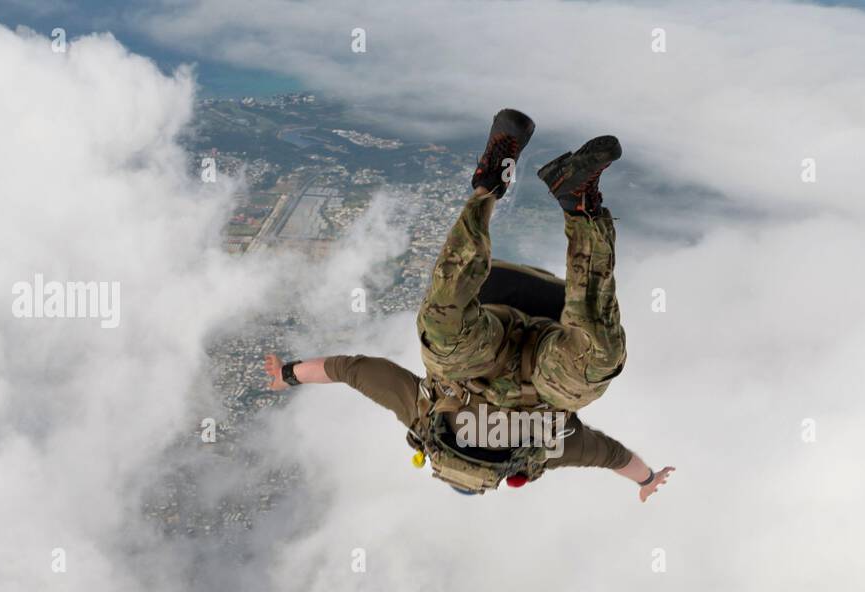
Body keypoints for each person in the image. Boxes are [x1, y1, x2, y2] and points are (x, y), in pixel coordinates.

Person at [264, 109, 674, 502]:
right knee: (585, 361)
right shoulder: (533, 445)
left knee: (579, 360)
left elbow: (614, 458)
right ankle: (575, 202)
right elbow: (349, 370)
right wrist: (289, 375)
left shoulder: (440, 420)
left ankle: (492, 182)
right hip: (536, 333)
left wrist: (647, 478)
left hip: (499, 321)